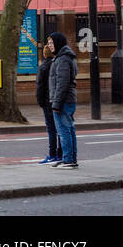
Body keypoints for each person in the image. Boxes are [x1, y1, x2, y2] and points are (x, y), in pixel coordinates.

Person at [47, 32, 78, 169]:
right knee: (69, 129)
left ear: (59, 42)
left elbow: (62, 83)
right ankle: (69, 158)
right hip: (67, 99)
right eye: (48, 43)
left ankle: (68, 160)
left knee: (64, 131)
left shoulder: (63, 59)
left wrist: (56, 103)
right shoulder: (64, 57)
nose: (49, 45)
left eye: (51, 43)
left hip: (64, 100)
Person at [35, 39, 61, 165]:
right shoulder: (57, 64)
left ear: (44, 54)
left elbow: (39, 86)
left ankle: (52, 154)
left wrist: (40, 101)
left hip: (47, 101)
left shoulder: (43, 67)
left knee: (51, 129)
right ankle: (60, 154)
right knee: (60, 129)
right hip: (57, 100)